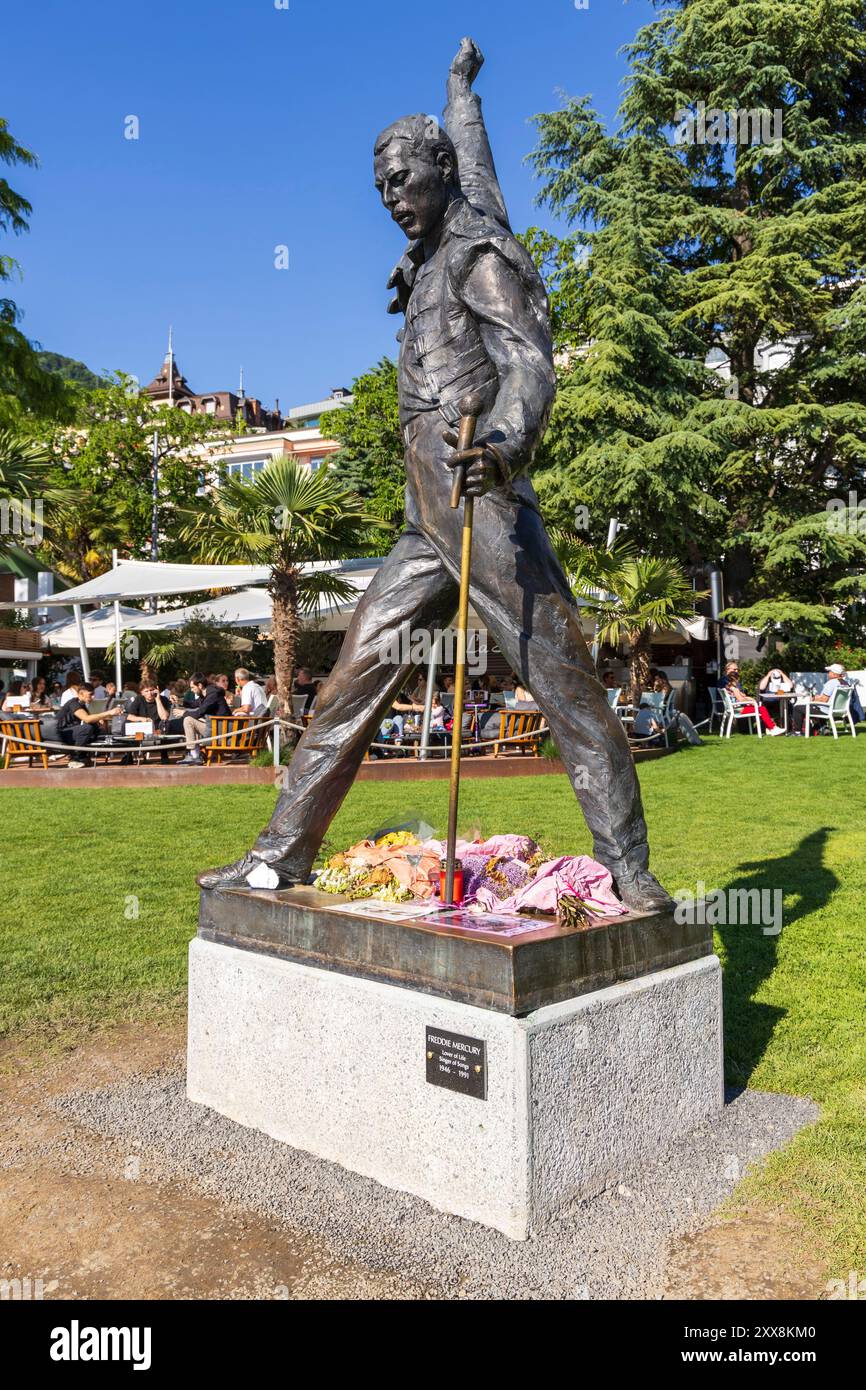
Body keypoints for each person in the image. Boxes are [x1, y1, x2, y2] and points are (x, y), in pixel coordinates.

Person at [199, 37, 670, 911]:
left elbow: (531, 362)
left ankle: (629, 866)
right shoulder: (444, 235)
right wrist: (461, 92)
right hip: (425, 516)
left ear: (439, 174)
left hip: (481, 498)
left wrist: (501, 444)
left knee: (563, 681)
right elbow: (476, 166)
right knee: (351, 677)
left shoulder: (478, 252)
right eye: (378, 187)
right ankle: (279, 857)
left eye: (400, 181)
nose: (388, 199)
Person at [56, 683, 124, 768]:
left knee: (95, 728)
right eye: (90, 694)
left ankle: (83, 755)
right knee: (87, 728)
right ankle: (75, 758)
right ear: (81, 693)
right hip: (61, 733)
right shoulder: (73, 703)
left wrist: (98, 721)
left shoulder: (81, 704)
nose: (93, 697)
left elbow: (90, 719)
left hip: (69, 732)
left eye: (93, 694)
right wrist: (109, 712)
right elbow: (87, 718)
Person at [790, 661, 862, 734]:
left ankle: (797, 732)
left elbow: (824, 700)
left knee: (798, 708)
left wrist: (814, 698)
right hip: (841, 710)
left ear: (834, 674)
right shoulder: (846, 683)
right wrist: (818, 698)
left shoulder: (831, 683)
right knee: (814, 706)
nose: (828, 673)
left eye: (830, 671)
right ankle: (822, 727)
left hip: (827, 710)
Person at [718, 661, 785, 735]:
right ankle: (772, 728)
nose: (736, 672)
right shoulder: (731, 685)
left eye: (737, 670)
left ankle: (769, 727)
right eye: (734, 670)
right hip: (738, 709)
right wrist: (750, 700)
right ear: (727, 670)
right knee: (761, 709)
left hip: (734, 707)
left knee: (759, 707)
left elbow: (741, 695)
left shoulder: (728, 685)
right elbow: (741, 699)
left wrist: (747, 698)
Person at [179, 672, 231, 765]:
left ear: (199, 685)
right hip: (216, 726)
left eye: (192, 687)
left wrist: (184, 713)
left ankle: (194, 755)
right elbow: (194, 704)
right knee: (193, 720)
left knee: (188, 720)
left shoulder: (212, 695)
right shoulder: (206, 693)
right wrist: (180, 701)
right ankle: (196, 754)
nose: (192, 690)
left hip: (221, 730)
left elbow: (200, 712)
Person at [653, 674, 702, 746]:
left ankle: (696, 739)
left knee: (680, 715)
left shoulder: (666, 688)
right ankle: (696, 740)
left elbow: (661, 699)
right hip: (662, 712)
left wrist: (655, 689)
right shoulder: (662, 687)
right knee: (679, 715)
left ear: (663, 679)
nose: (656, 681)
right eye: (655, 680)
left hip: (664, 711)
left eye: (657, 679)